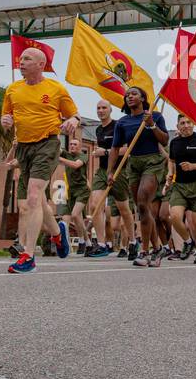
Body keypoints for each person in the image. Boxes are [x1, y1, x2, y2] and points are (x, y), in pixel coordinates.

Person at [3, 47, 79, 273]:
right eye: (21, 58)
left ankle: (28, 256)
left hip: (47, 143)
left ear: (40, 64)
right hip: (24, 148)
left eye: (27, 58)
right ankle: (58, 233)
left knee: (33, 198)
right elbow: (6, 115)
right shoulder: (12, 89)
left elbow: (73, 114)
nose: (21, 62)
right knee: (40, 202)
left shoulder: (55, 88)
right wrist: (5, 120)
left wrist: (73, 121)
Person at [109, 86, 166, 266]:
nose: (129, 97)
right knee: (143, 209)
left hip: (153, 162)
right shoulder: (122, 122)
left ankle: (144, 252)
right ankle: (158, 249)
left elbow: (165, 140)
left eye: (133, 94)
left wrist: (151, 125)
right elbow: (115, 148)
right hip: (133, 164)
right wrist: (110, 172)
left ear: (143, 98)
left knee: (142, 201)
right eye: (127, 95)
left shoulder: (154, 116)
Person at [165, 115, 196, 264]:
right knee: (174, 216)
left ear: (193, 124)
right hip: (180, 185)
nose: (186, 125)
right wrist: (170, 172)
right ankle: (188, 242)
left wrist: (193, 166)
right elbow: (171, 160)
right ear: (178, 126)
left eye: (188, 122)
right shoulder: (174, 142)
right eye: (182, 123)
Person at [86, 100, 131, 258]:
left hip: (119, 171)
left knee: (124, 209)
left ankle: (131, 242)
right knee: (94, 205)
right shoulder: (98, 130)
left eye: (104, 107)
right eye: (98, 108)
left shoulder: (119, 126)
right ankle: (102, 243)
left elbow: (127, 150)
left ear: (111, 110)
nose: (100, 110)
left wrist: (104, 152)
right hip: (102, 171)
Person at [59, 138, 92, 256]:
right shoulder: (66, 154)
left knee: (75, 214)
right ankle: (84, 242)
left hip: (82, 190)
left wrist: (60, 159)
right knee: (73, 218)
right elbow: (56, 148)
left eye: (75, 144)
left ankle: (87, 242)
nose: (72, 146)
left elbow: (75, 165)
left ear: (79, 147)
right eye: (71, 144)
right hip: (70, 191)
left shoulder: (83, 156)